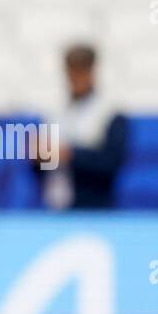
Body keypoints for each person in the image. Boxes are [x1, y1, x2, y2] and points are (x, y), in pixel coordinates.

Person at [39, 44, 129, 210]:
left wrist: (71, 155)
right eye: (72, 72)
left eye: (81, 71)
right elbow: (41, 169)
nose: (76, 78)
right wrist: (39, 157)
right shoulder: (55, 112)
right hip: (56, 208)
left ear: (92, 71)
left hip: (95, 209)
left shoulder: (109, 112)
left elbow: (112, 163)